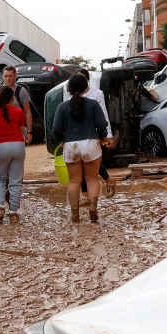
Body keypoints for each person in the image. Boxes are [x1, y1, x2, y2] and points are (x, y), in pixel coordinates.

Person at [52, 74, 109, 223]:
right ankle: (92, 209)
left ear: (69, 88)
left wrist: (61, 141)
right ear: (86, 87)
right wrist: (101, 137)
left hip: (71, 145)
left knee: (74, 182)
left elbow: (56, 128)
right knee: (92, 179)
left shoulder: (62, 106)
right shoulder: (93, 104)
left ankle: (75, 214)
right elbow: (102, 125)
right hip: (91, 143)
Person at [0, 85, 28, 223]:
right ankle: (13, 212)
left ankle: (0, 206)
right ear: (12, 98)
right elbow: (21, 132)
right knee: (16, 180)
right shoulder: (19, 111)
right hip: (18, 146)